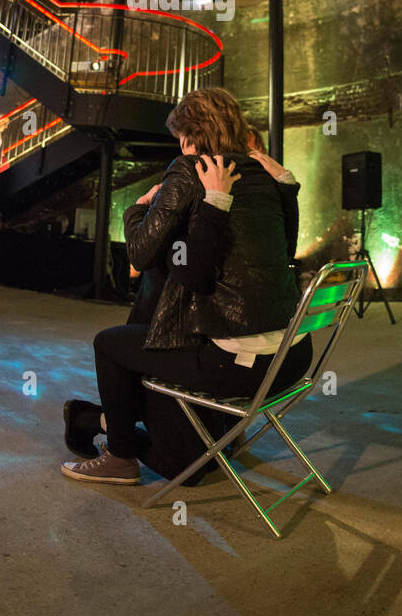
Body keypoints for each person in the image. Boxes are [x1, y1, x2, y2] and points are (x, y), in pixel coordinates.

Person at [61, 86, 310, 485]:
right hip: (290, 361)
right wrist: (288, 191)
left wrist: (137, 209)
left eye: (181, 137)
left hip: (235, 363)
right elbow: (287, 253)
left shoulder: (189, 169)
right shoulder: (267, 174)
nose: (180, 145)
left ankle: (120, 454)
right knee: (153, 343)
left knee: (110, 343)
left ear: (192, 135)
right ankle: (131, 423)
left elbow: (141, 256)